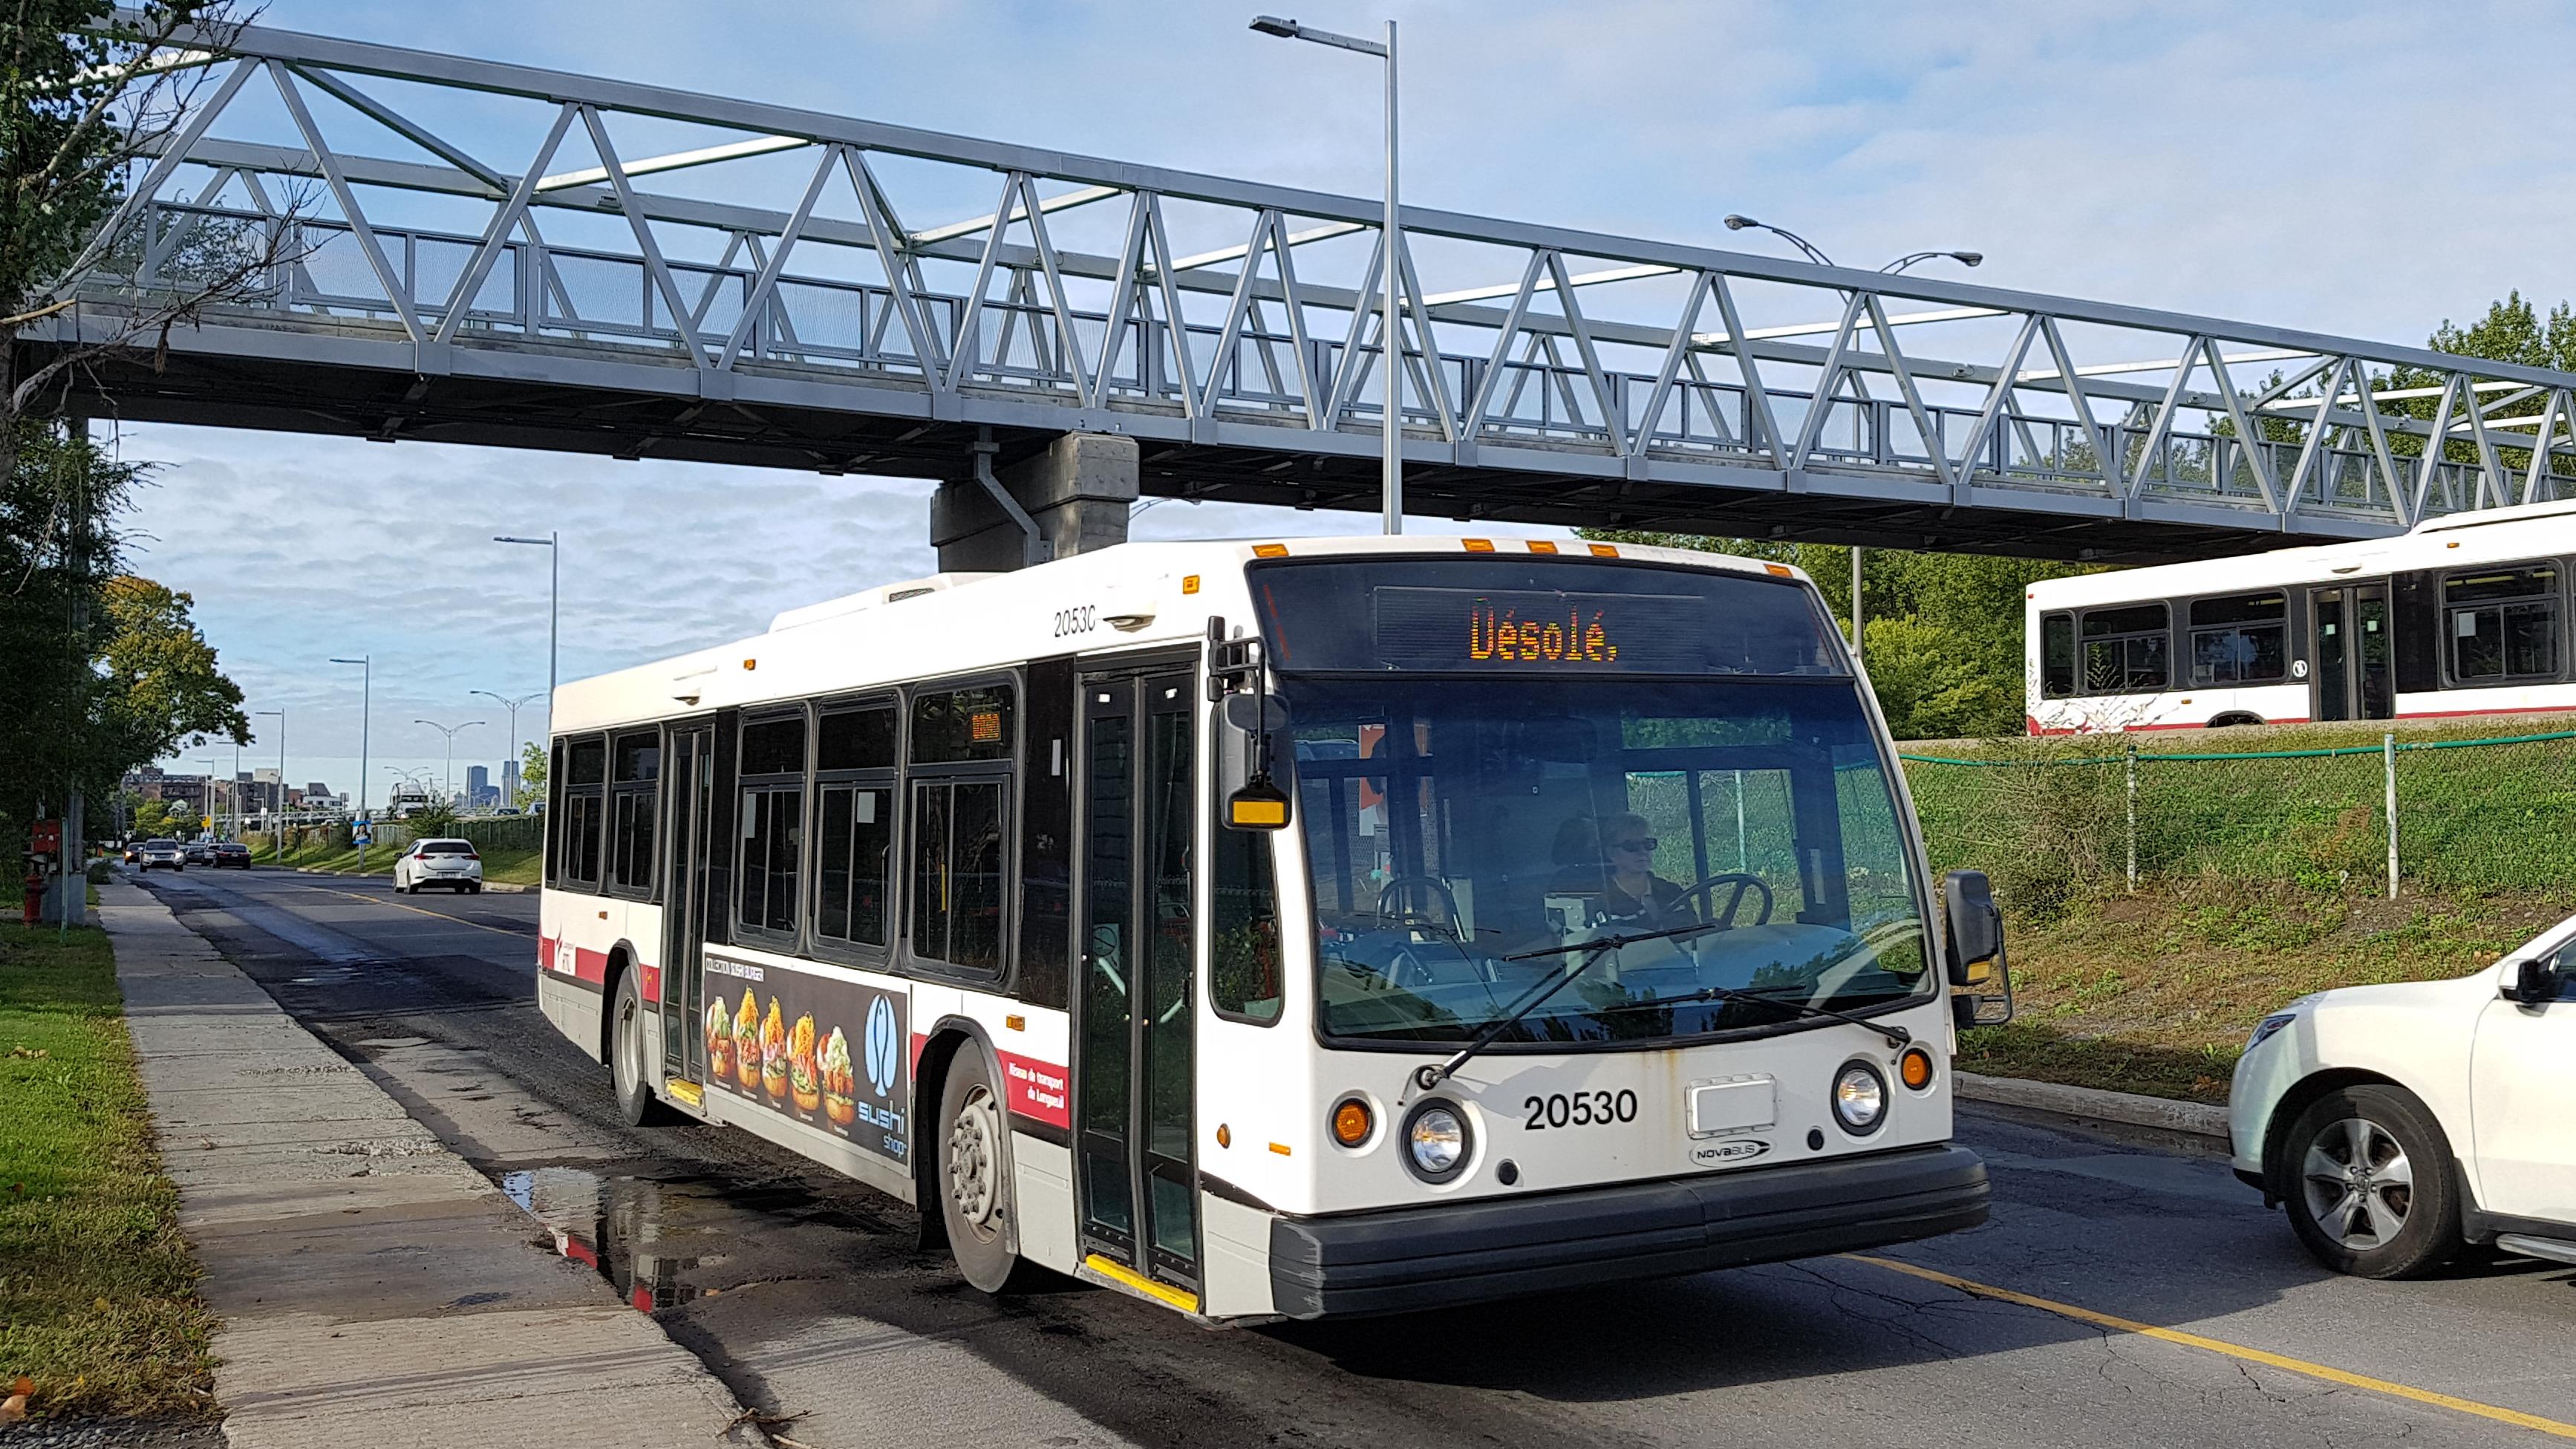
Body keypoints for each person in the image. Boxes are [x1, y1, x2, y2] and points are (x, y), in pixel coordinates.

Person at [1549, 812, 1696, 931]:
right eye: (1631, 846)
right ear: (1611, 853)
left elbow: (1697, 938)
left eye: (1648, 844)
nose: (1642, 852)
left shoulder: (1673, 892)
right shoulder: (1599, 902)